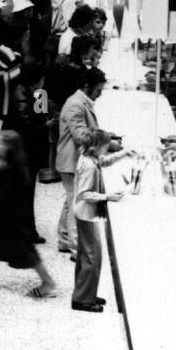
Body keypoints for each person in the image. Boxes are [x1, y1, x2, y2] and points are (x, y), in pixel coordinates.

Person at [0, 130, 58, 296]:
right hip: (6, 212)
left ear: (9, 148)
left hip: (11, 215)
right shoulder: (6, 164)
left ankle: (48, 281)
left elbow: (5, 192)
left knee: (25, 250)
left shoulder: (12, 169)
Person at [55, 67, 113, 256]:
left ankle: (64, 239)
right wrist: (107, 141)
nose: (99, 95)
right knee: (76, 203)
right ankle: (75, 247)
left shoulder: (81, 102)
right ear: (87, 87)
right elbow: (81, 135)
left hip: (72, 160)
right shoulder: (75, 105)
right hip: (71, 161)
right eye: (98, 90)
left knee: (70, 200)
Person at [72, 131, 132, 312]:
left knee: (86, 255)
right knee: (93, 257)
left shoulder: (88, 158)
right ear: (97, 146)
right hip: (87, 214)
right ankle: (83, 299)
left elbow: (104, 161)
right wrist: (108, 197)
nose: (107, 149)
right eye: (105, 146)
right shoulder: (89, 166)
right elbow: (84, 194)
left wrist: (124, 153)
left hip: (83, 214)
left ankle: (84, 293)